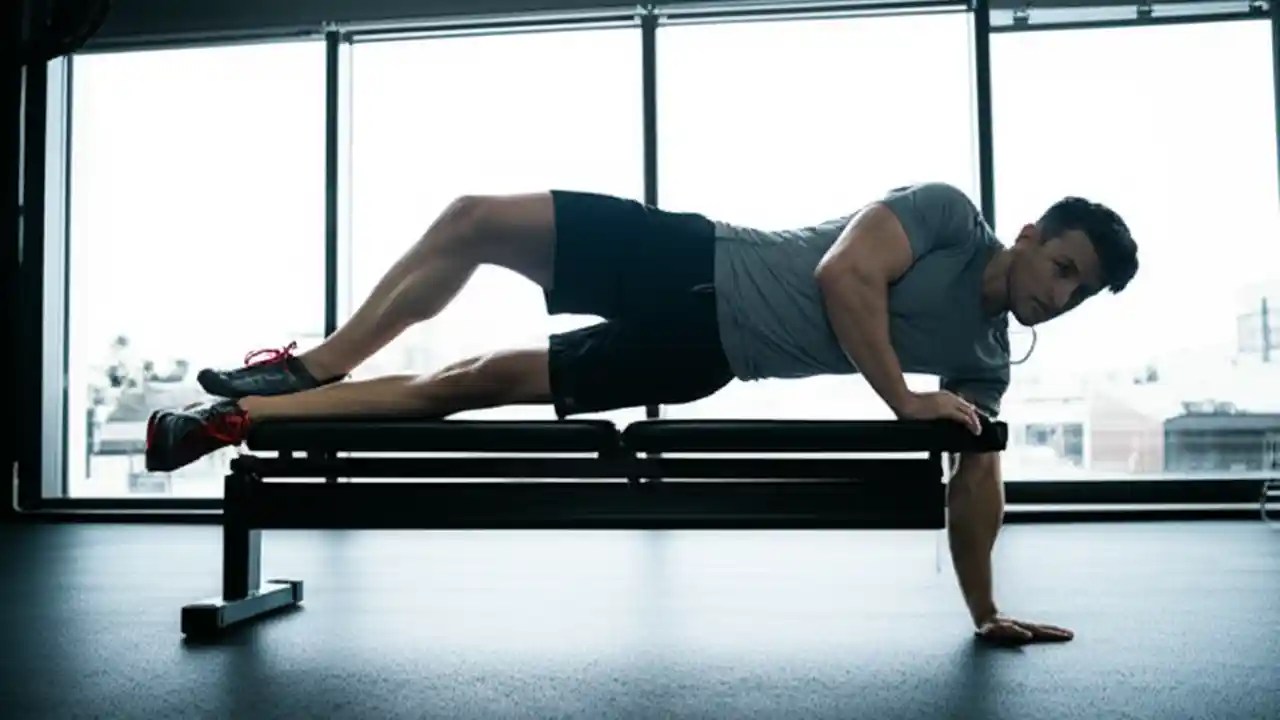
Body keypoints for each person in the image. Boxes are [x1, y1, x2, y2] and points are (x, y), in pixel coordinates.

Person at [145, 183, 1138, 645]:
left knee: (470, 381)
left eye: (1076, 293)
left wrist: (982, 611)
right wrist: (901, 399)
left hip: (700, 353)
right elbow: (843, 276)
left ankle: (233, 424)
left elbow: (980, 489)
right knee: (473, 220)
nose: (1057, 295)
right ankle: (308, 365)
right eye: (1060, 267)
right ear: (1028, 234)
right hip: (691, 256)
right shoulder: (944, 215)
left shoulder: (982, 363)